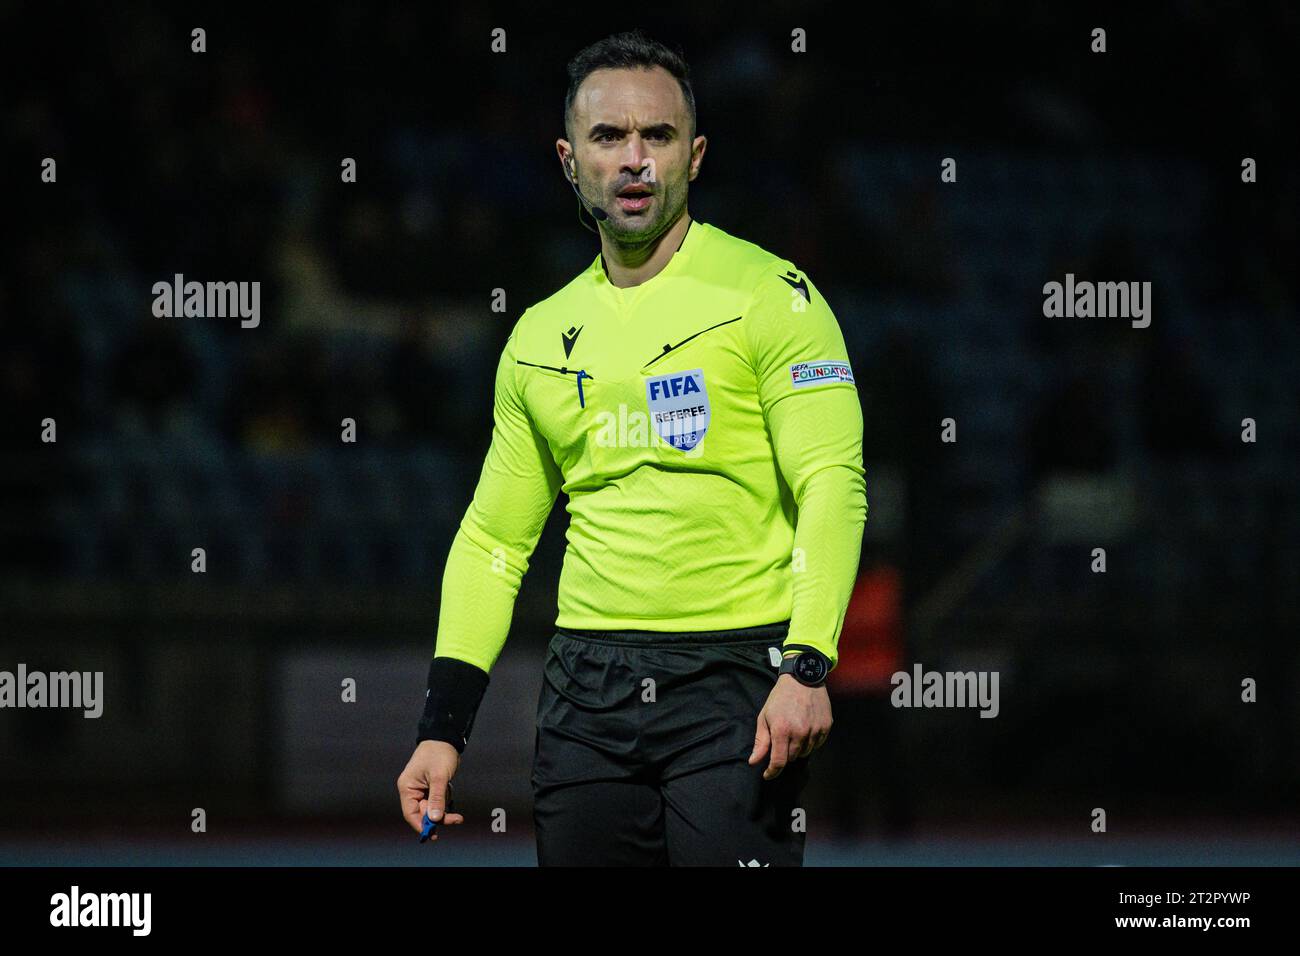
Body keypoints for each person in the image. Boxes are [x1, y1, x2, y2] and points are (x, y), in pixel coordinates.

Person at [396, 29, 867, 866]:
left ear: (697, 154)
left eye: (659, 135)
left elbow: (832, 479)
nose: (635, 159)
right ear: (570, 159)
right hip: (586, 693)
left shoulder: (772, 297)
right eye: (609, 137)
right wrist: (443, 730)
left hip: (738, 683)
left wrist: (808, 665)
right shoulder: (538, 338)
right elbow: (496, 542)